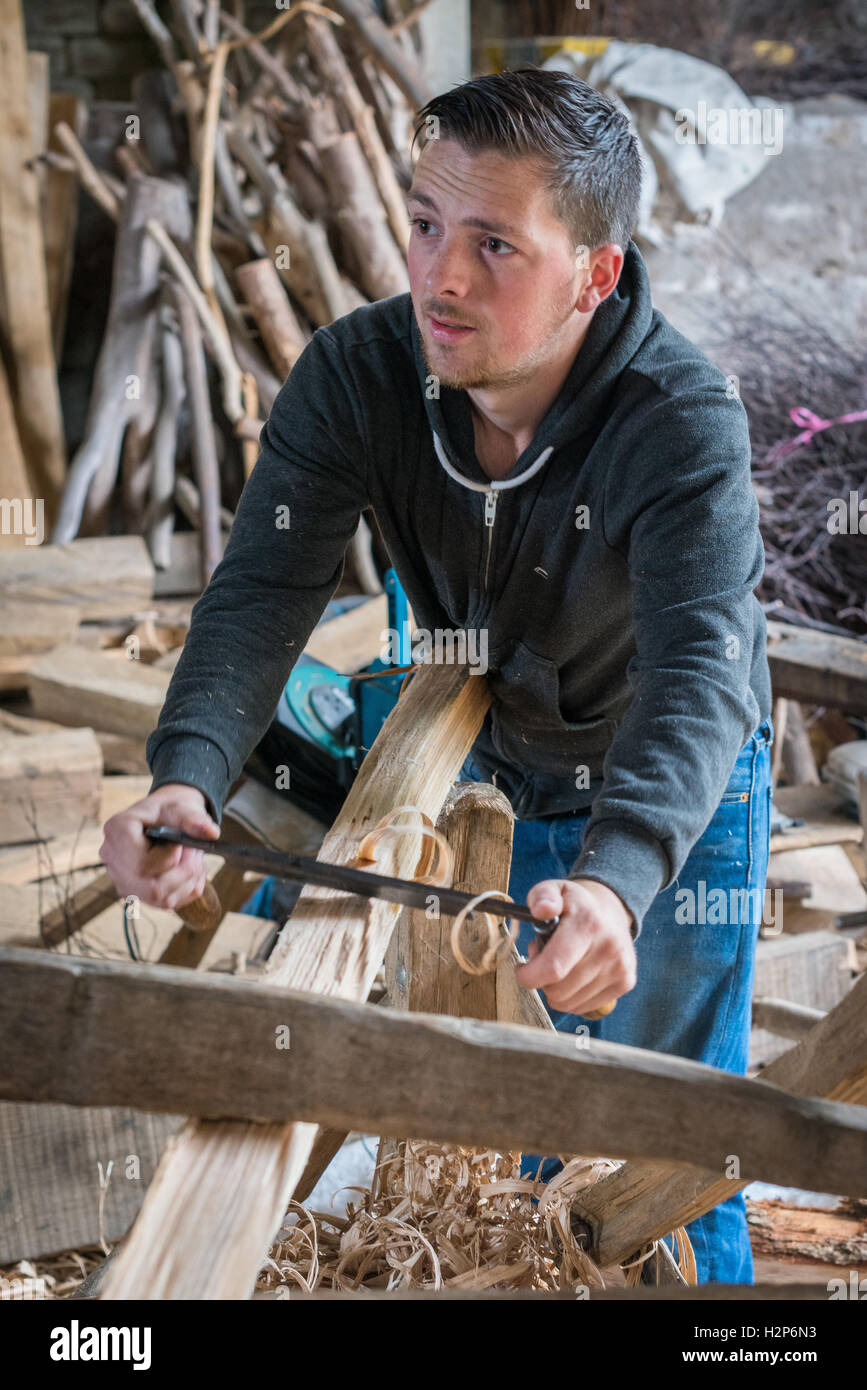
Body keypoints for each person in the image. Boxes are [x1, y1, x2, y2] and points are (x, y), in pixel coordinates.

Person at [99, 67, 773, 1284]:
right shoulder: (360, 376)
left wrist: (621, 882)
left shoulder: (682, 421)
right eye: (423, 223)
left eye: (494, 245)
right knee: (532, 1144)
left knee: (675, 1149)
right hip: (510, 758)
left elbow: (700, 676)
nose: (437, 275)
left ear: (595, 273)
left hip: (677, 784)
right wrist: (188, 777)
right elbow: (261, 592)